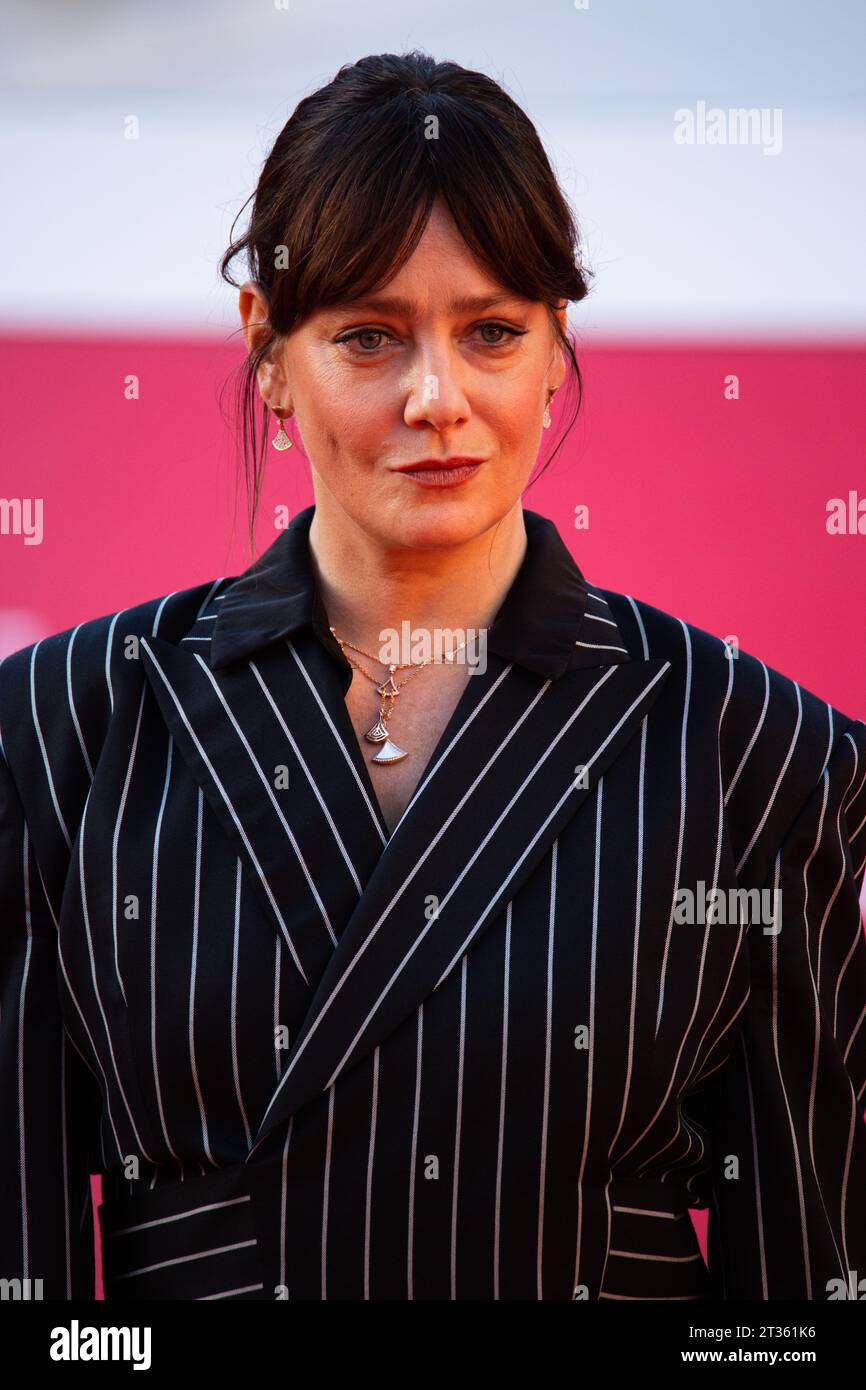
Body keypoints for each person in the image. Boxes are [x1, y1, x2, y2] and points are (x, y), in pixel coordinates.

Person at [1, 50, 865, 1303]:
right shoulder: (64, 727)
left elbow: (803, 1283)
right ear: (266, 349)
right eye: (367, 336)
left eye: (491, 333)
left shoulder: (750, 750)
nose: (436, 398)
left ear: (556, 346)